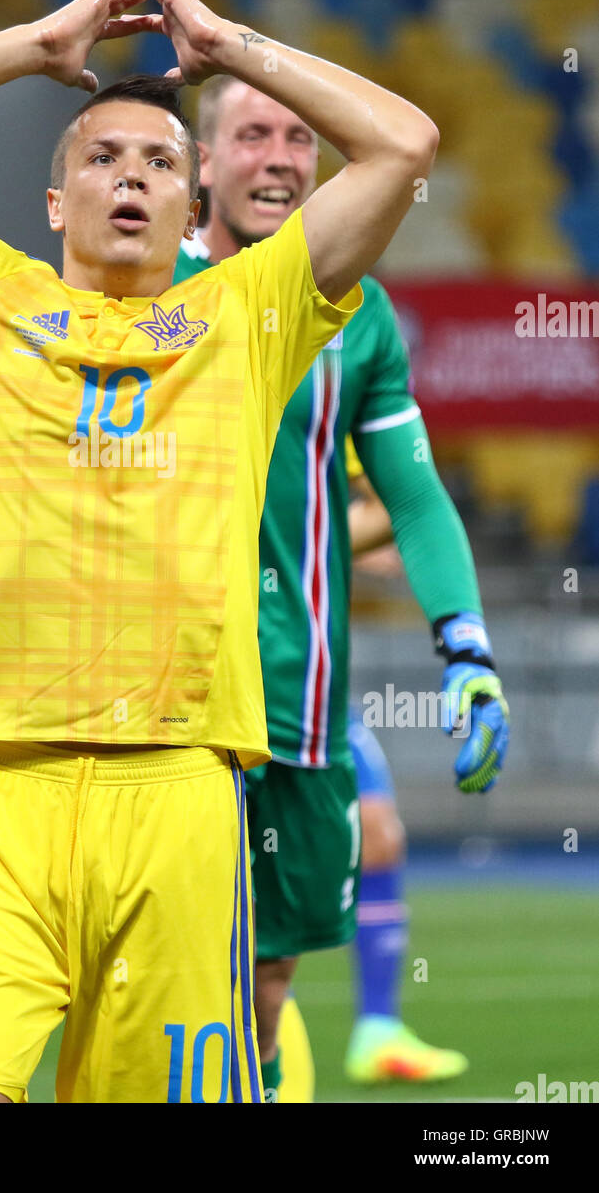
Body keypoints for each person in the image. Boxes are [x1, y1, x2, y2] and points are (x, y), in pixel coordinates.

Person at [0, 0, 438, 1103]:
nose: (128, 177)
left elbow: (402, 143)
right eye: (100, 157)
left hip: (181, 796)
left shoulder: (246, 318)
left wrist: (226, 44)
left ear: (194, 212)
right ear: (56, 203)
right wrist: (33, 48)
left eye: (159, 161)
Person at [173, 75, 509, 1098]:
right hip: (167, 702)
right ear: (201, 162)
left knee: (267, 978)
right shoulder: (144, 284)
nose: (277, 156)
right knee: (175, 980)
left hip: (299, 705)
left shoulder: (360, 320)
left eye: (297, 138)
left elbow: (412, 497)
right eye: (250, 135)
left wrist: (466, 646)